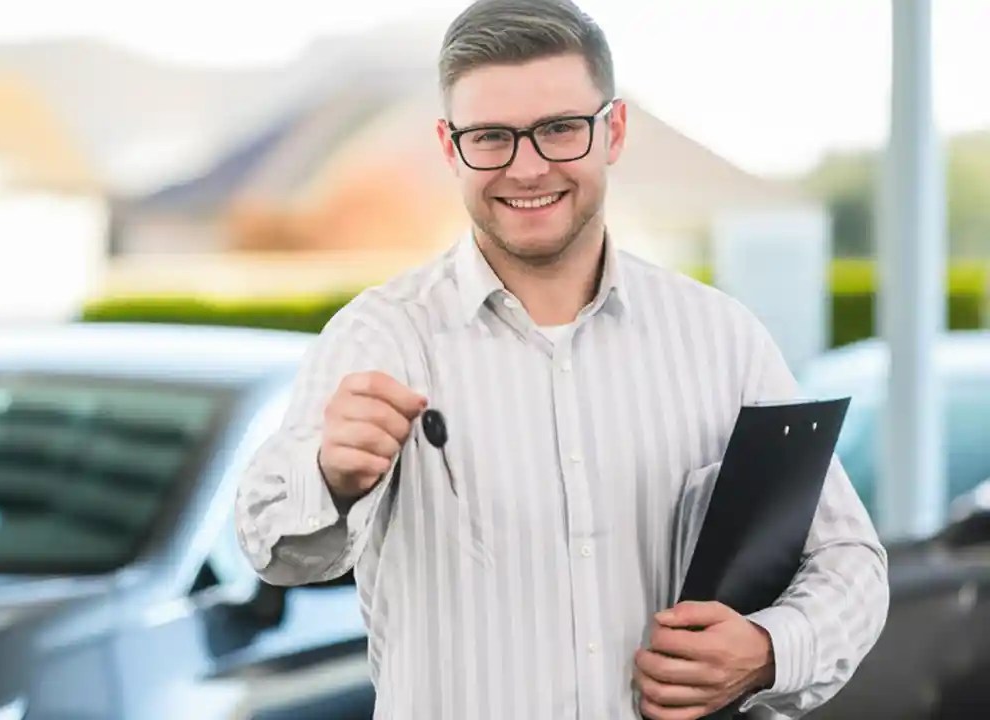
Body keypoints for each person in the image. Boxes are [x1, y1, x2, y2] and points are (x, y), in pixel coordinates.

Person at [233, 1, 889, 718]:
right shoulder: (382, 336)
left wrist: (767, 651)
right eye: (491, 137)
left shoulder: (722, 337)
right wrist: (329, 473)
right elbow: (272, 544)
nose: (527, 167)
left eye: (558, 130)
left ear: (614, 130)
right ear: (451, 147)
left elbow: (851, 564)